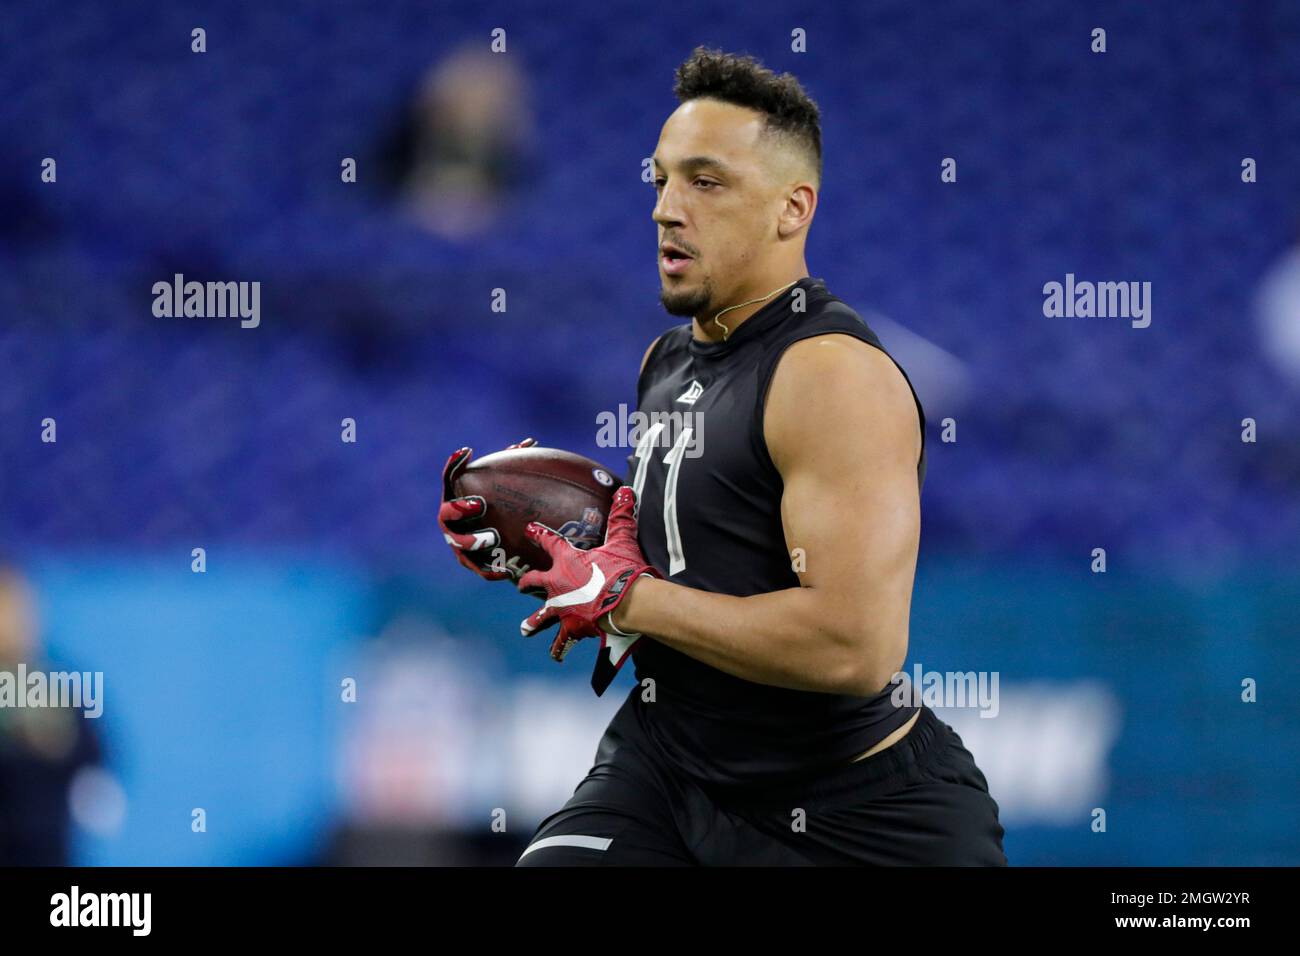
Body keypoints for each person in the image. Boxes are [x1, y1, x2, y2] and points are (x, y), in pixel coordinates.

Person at [439, 47, 1006, 865]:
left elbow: (854, 647)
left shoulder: (833, 377)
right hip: (671, 766)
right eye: (661, 179)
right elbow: (693, 580)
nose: (668, 208)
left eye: (705, 182)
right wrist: (544, 548)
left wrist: (626, 598)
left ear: (792, 208)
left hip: (855, 807)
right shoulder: (663, 361)